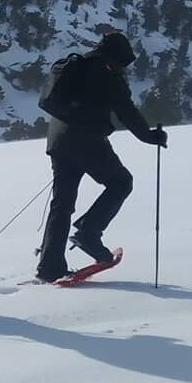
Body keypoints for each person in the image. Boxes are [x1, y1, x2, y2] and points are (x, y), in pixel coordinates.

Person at [35, 32, 167, 282]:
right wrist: (150, 137)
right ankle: (89, 233)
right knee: (121, 182)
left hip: (58, 140)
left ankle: (49, 267)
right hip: (87, 140)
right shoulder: (108, 73)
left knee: (62, 204)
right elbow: (126, 111)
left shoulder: (77, 65)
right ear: (117, 56)